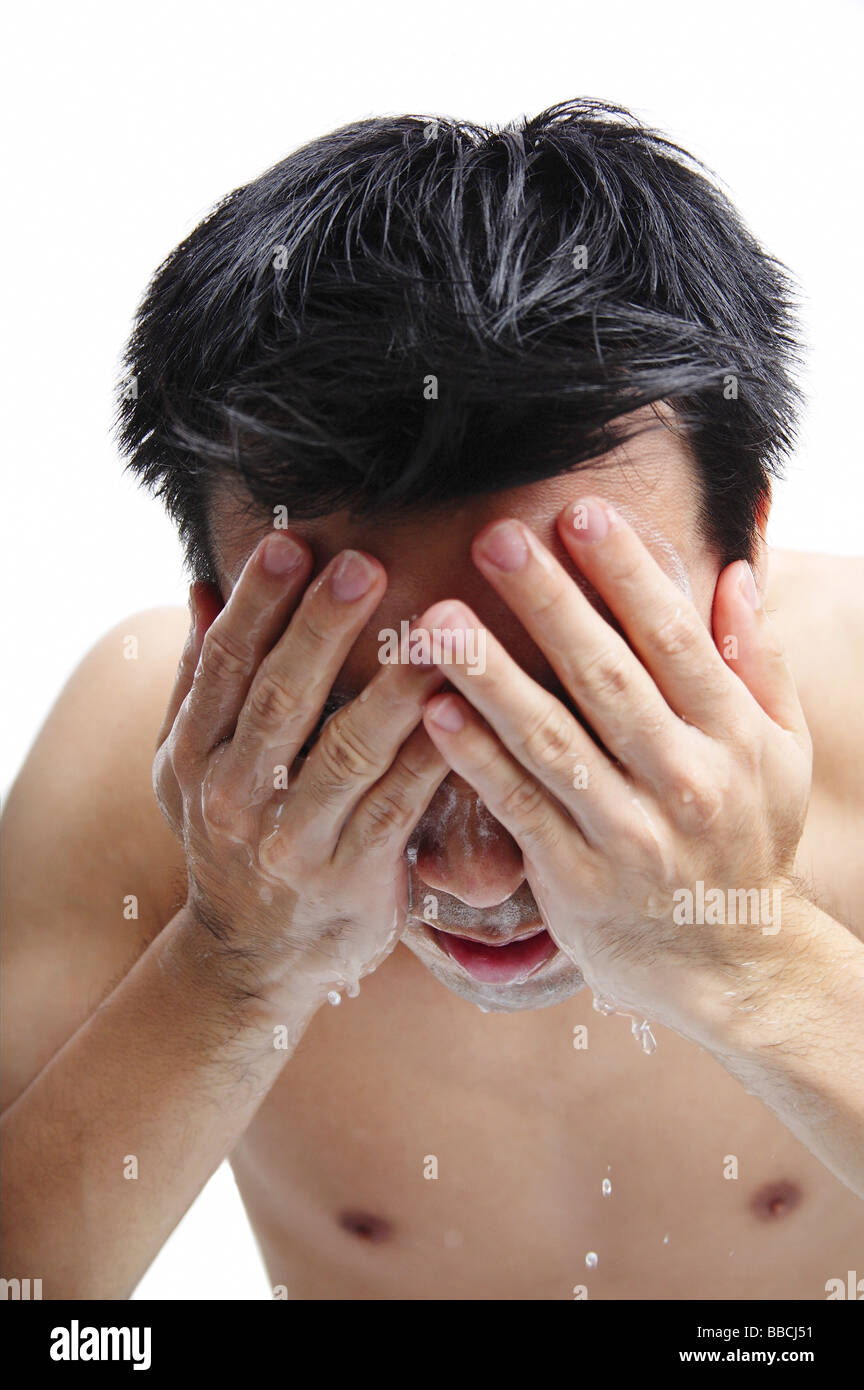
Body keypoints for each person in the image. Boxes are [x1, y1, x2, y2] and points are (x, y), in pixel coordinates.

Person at [2, 99, 863, 1302]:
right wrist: (232, 965)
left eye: (571, 704)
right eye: (356, 725)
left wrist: (748, 952)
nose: (473, 873)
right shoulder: (137, 766)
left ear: (748, 562)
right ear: (216, 634)